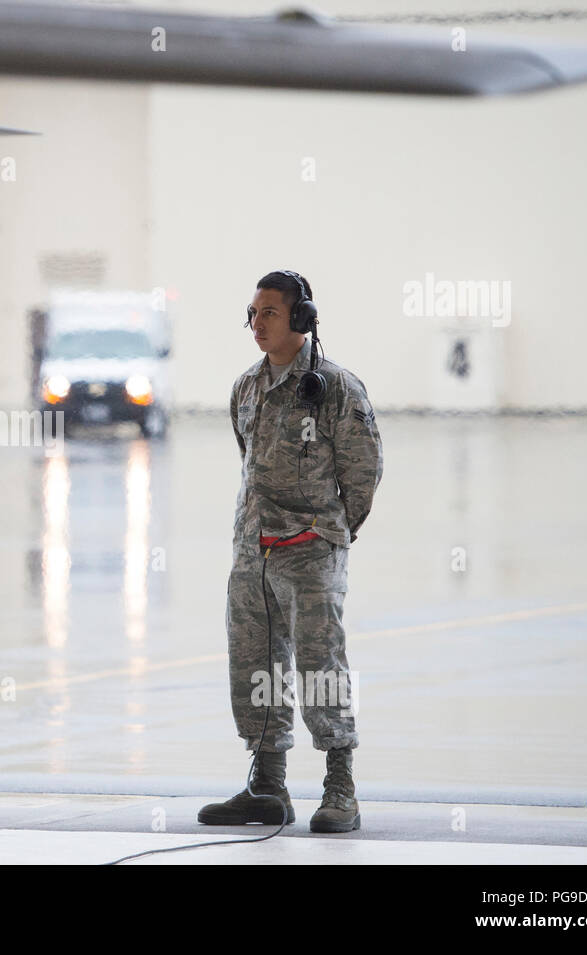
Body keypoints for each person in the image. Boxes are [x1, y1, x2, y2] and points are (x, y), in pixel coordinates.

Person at [199, 270, 383, 833]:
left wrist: (331, 533)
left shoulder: (336, 388)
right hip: (253, 551)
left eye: (269, 314)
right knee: (255, 663)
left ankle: (340, 788)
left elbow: (364, 469)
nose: (257, 324)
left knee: (320, 668)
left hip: (310, 552)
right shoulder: (246, 387)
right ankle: (267, 786)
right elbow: (247, 458)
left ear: (300, 320)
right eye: (252, 313)